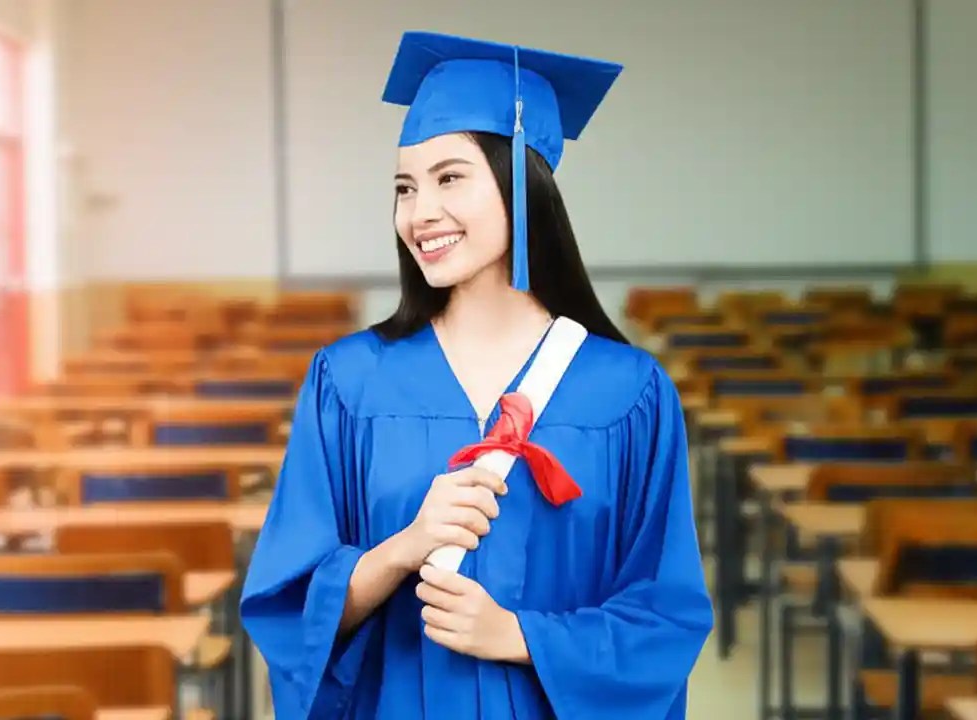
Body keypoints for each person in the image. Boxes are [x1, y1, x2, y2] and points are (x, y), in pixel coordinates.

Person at [240, 30, 713, 719]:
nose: (419, 212)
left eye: (449, 178)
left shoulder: (627, 394)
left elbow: (664, 617)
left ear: (522, 183)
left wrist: (520, 637)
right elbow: (290, 610)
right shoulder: (349, 383)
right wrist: (402, 549)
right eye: (405, 187)